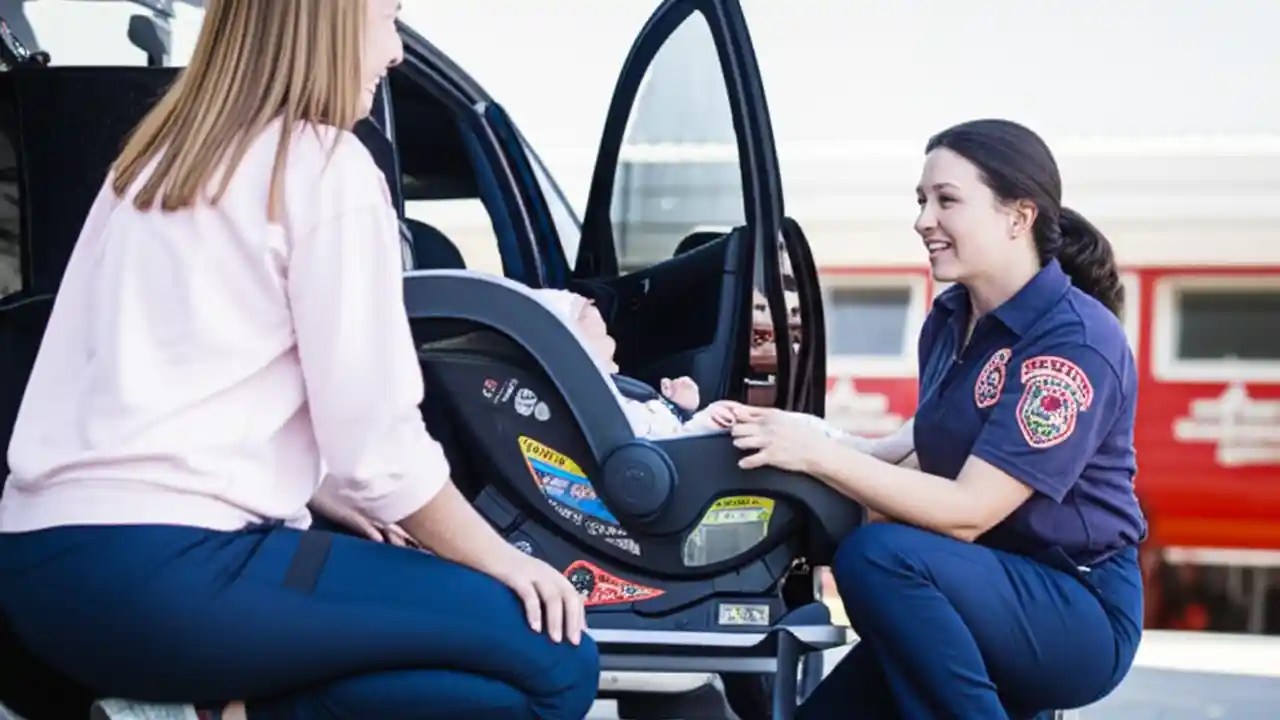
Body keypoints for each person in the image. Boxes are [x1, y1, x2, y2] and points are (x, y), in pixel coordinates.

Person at [0, 2, 598, 720]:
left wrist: (316, 485)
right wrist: (505, 560)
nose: (396, 52)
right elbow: (377, 448)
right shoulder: (322, 165)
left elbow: (171, 387)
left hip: (38, 573)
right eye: (389, 18)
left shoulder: (152, 163)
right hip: (175, 576)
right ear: (333, 21)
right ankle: (212, 713)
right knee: (556, 664)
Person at [727, 119, 1146, 719]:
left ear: (1017, 217)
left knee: (877, 555)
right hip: (974, 591)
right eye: (922, 200)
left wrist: (816, 455)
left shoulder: (1073, 340)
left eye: (947, 200)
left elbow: (968, 511)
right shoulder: (950, 321)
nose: (924, 219)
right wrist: (778, 434)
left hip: (1075, 607)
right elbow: (914, 456)